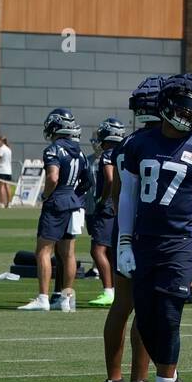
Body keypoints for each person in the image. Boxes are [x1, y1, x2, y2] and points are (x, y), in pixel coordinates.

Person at [114, 73, 192, 382]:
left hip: (181, 243)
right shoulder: (137, 144)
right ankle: (174, 378)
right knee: (146, 321)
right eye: (182, 108)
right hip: (145, 241)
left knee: (168, 316)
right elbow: (128, 196)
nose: (186, 116)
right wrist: (124, 242)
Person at [102, 79, 163, 382]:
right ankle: (139, 381)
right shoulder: (162, 142)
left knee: (122, 304)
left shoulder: (126, 143)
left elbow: (116, 196)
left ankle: (113, 381)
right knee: (148, 308)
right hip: (153, 234)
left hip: (123, 230)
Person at [19, 109, 89, 312]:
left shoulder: (54, 149)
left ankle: (43, 298)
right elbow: (87, 182)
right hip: (73, 202)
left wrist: (45, 195)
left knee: (43, 251)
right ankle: (66, 299)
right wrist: (75, 196)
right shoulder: (80, 151)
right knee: (68, 254)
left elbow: (53, 177)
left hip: (57, 201)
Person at [85, 118, 125, 309]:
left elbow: (109, 179)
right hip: (121, 205)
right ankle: (116, 289)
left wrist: (102, 200)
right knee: (111, 249)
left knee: (97, 249)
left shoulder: (109, 154)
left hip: (109, 205)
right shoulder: (125, 152)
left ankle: (109, 291)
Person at [0, 136, 14, 206]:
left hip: (2, 170)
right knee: (8, 186)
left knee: (1, 187)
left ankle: (2, 203)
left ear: (1, 141)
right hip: (8, 171)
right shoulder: (9, 149)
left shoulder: (2, 149)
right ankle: (9, 203)